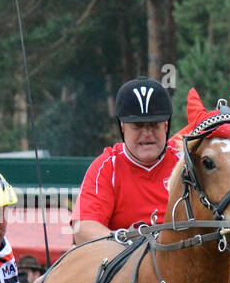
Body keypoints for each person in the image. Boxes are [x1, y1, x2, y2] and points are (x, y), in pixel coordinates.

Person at [72, 77, 179, 243]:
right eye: (138, 125)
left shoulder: (186, 161)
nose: (147, 133)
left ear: (166, 125)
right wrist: (128, 247)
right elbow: (82, 228)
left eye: (154, 124)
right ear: (122, 126)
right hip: (125, 263)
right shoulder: (107, 167)